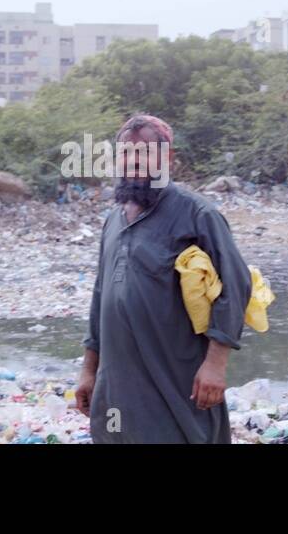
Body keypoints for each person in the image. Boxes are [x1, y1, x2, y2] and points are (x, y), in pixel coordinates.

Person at [75, 115, 252, 443]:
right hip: (117, 381)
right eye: (126, 153)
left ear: (167, 159)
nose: (134, 162)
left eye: (146, 153)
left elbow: (236, 284)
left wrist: (216, 363)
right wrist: (89, 370)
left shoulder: (197, 215)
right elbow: (101, 297)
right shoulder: (113, 221)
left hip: (176, 375)